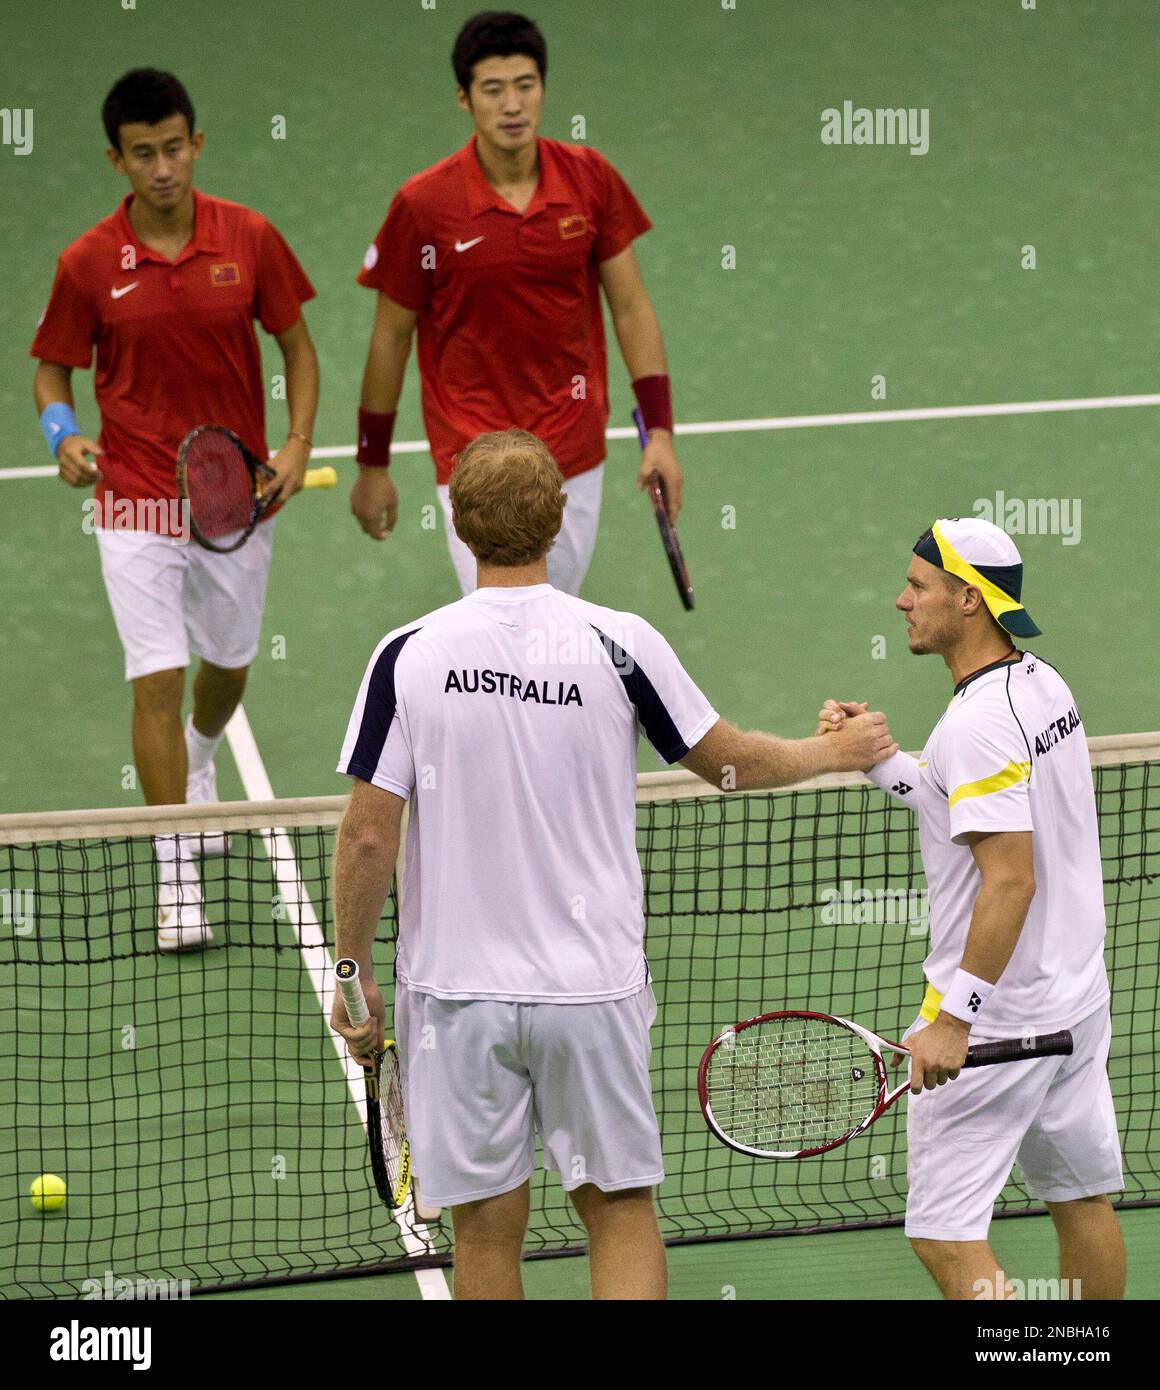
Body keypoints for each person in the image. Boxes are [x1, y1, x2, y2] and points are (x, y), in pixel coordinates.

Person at [330, 428, 895, 1300]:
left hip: (456, 997)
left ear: (457, 520)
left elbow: (369, 837)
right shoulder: (619, 641)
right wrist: (841, 751)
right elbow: (730, 762)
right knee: (620, 1208)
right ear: (557, 524)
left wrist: (352, 973)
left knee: (485, 1233)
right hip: (591, 990)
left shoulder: (407, 654)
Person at [30, 68, 318, 952]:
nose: (163, 168)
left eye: (175, 147)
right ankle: (174, 867)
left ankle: (201, 760)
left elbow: (297, 347)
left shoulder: (250, 238)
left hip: (233, 497)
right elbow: (54, 367)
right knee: (153, 675)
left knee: (226, 668)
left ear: (197, 143)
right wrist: (61, 433)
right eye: (143, 154)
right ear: (117, 160)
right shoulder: (86, 264)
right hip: (134, 502)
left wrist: (299, 445)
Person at [818, 518, 1124, 1300]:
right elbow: (967, 803)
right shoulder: (1039, 683)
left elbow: (1010, 880)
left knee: (946, 1237)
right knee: (1080, 1201)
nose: (900, 601)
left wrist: (956, 1018)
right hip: (1073, 1000)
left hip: (997, 1020)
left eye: (918, 588)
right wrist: (883, 760)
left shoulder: (976, 725)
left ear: (968, 600)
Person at [351, 10, 680, 595]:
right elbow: (391, 335)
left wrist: (660, 433)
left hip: (571, 449)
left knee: (554, 612)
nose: (512, 105)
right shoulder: (425, 204)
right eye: (493, 89)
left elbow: (630, 307)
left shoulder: (589, 179)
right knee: (504, 619)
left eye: (525, 86)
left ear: (543, 89)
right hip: (472, 455)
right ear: (464, 99)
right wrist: (372, 465)